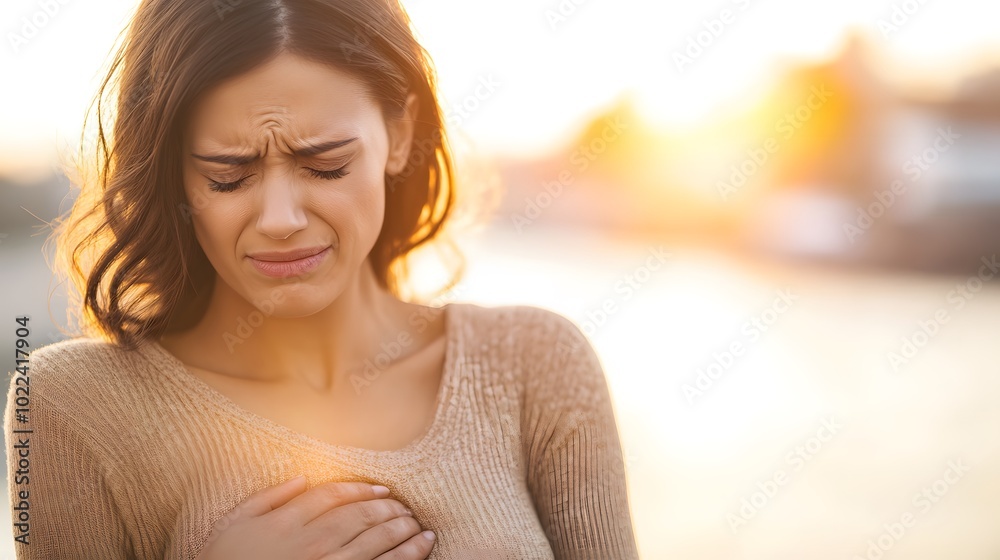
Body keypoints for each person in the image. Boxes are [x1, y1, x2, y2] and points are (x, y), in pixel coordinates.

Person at [3, 0, 640, 558]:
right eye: (228, 176)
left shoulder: (536, 367)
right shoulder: (67, 407)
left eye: (326, 166)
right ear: (173, 171)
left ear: (398, 133)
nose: (280, 220)